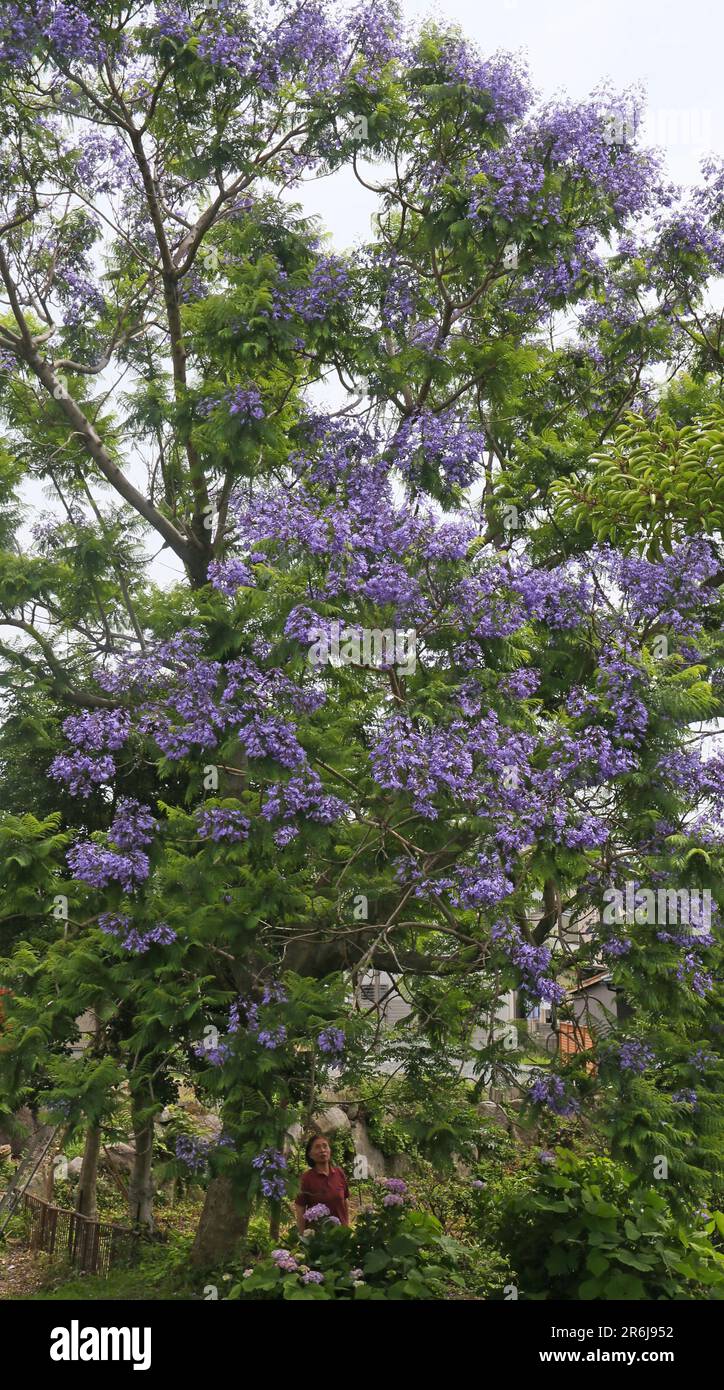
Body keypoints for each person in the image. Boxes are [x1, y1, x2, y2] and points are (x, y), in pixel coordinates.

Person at [294, 1134, 350, 1232]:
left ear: (330, 1150)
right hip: (318, 1239)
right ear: (310, 1154)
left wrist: (347, 1226)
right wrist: (302, 1236)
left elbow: (345, 1201)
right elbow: (300, 1209)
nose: (322, 1150)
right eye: (317, 1147)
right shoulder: (306, 1179)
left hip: (340, 1236)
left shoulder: (339, 1173)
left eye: (325, 1146)